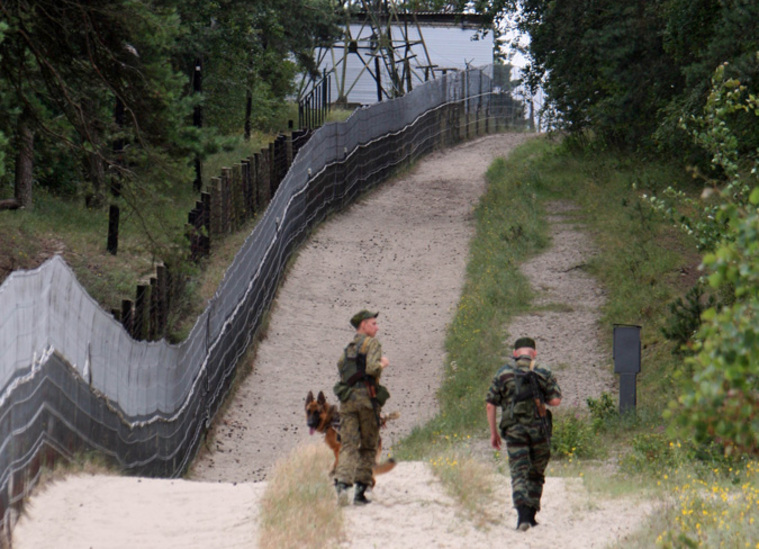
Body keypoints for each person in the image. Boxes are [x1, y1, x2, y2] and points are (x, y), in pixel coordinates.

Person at [486, 336, 562, 531]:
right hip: (538, 430)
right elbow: (555, 401)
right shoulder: (543, 371)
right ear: (534, 353)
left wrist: (494, 433)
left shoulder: (503, 373)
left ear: (515, 353)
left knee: (518, 472)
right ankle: (531, 515)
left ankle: (521, 517)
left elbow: (490, 404)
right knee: (536, 473)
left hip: (514, 431)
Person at [333, 309, 389, 506]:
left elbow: (341, 367)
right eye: (373, 323)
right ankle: (360, 490)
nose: (377, 327)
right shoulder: (372, 344)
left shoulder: (349, 347)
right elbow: (372, 368)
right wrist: (382, 364)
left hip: (347, 401)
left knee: (348, 444)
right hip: (366, 400)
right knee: (368, 445)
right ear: (363, 325)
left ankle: (341, 484)